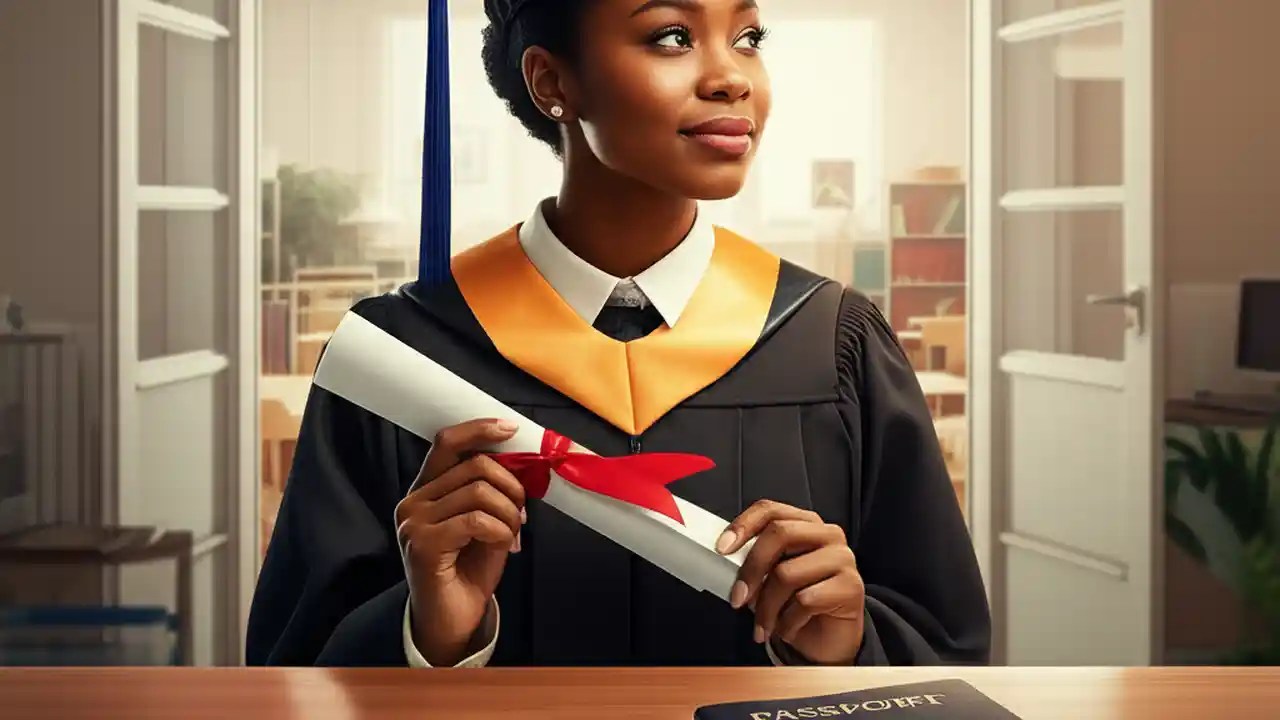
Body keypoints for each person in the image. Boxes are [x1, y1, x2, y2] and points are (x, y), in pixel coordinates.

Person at [246, 0, 991, 668]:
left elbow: (944, 643)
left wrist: (846, 641)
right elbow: (295, 664)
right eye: (672, 36)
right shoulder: (404, 355)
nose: (732, 77)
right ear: (550, 83)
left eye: (748, 36)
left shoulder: (831, 340)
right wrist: (432, 636)